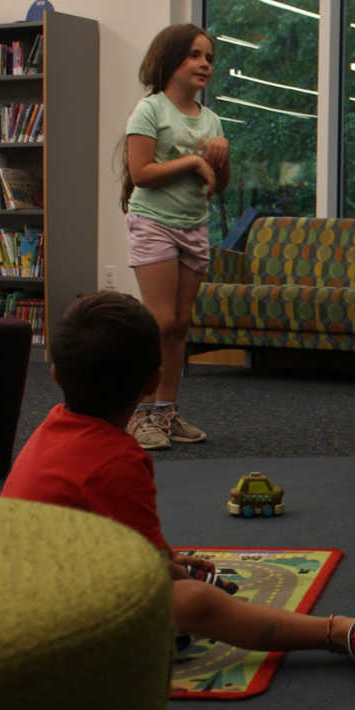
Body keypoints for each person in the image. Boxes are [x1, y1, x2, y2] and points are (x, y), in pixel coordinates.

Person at [3, 291, 355, 677]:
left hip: (21, 602)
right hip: (52, 636)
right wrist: (175, 577)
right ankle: (336, 632)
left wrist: (166, 561)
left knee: (171, 576)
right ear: (153, 383)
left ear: (56, 376)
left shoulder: (54, 427)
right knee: (194, 603)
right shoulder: (117, 460)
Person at [119, 23, 230, 451]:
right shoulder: (150, 110)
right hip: (154, 223)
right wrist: (193, 163)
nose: (204, 64)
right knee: (160, 321)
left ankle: (166, 411)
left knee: (181, 324)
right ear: (170, 60)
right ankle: (140, 414)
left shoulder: (212, 119)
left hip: (193, 225)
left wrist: (220, 159)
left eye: (209, 58)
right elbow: (141, 173)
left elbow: (217, 185)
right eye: (195, 55)